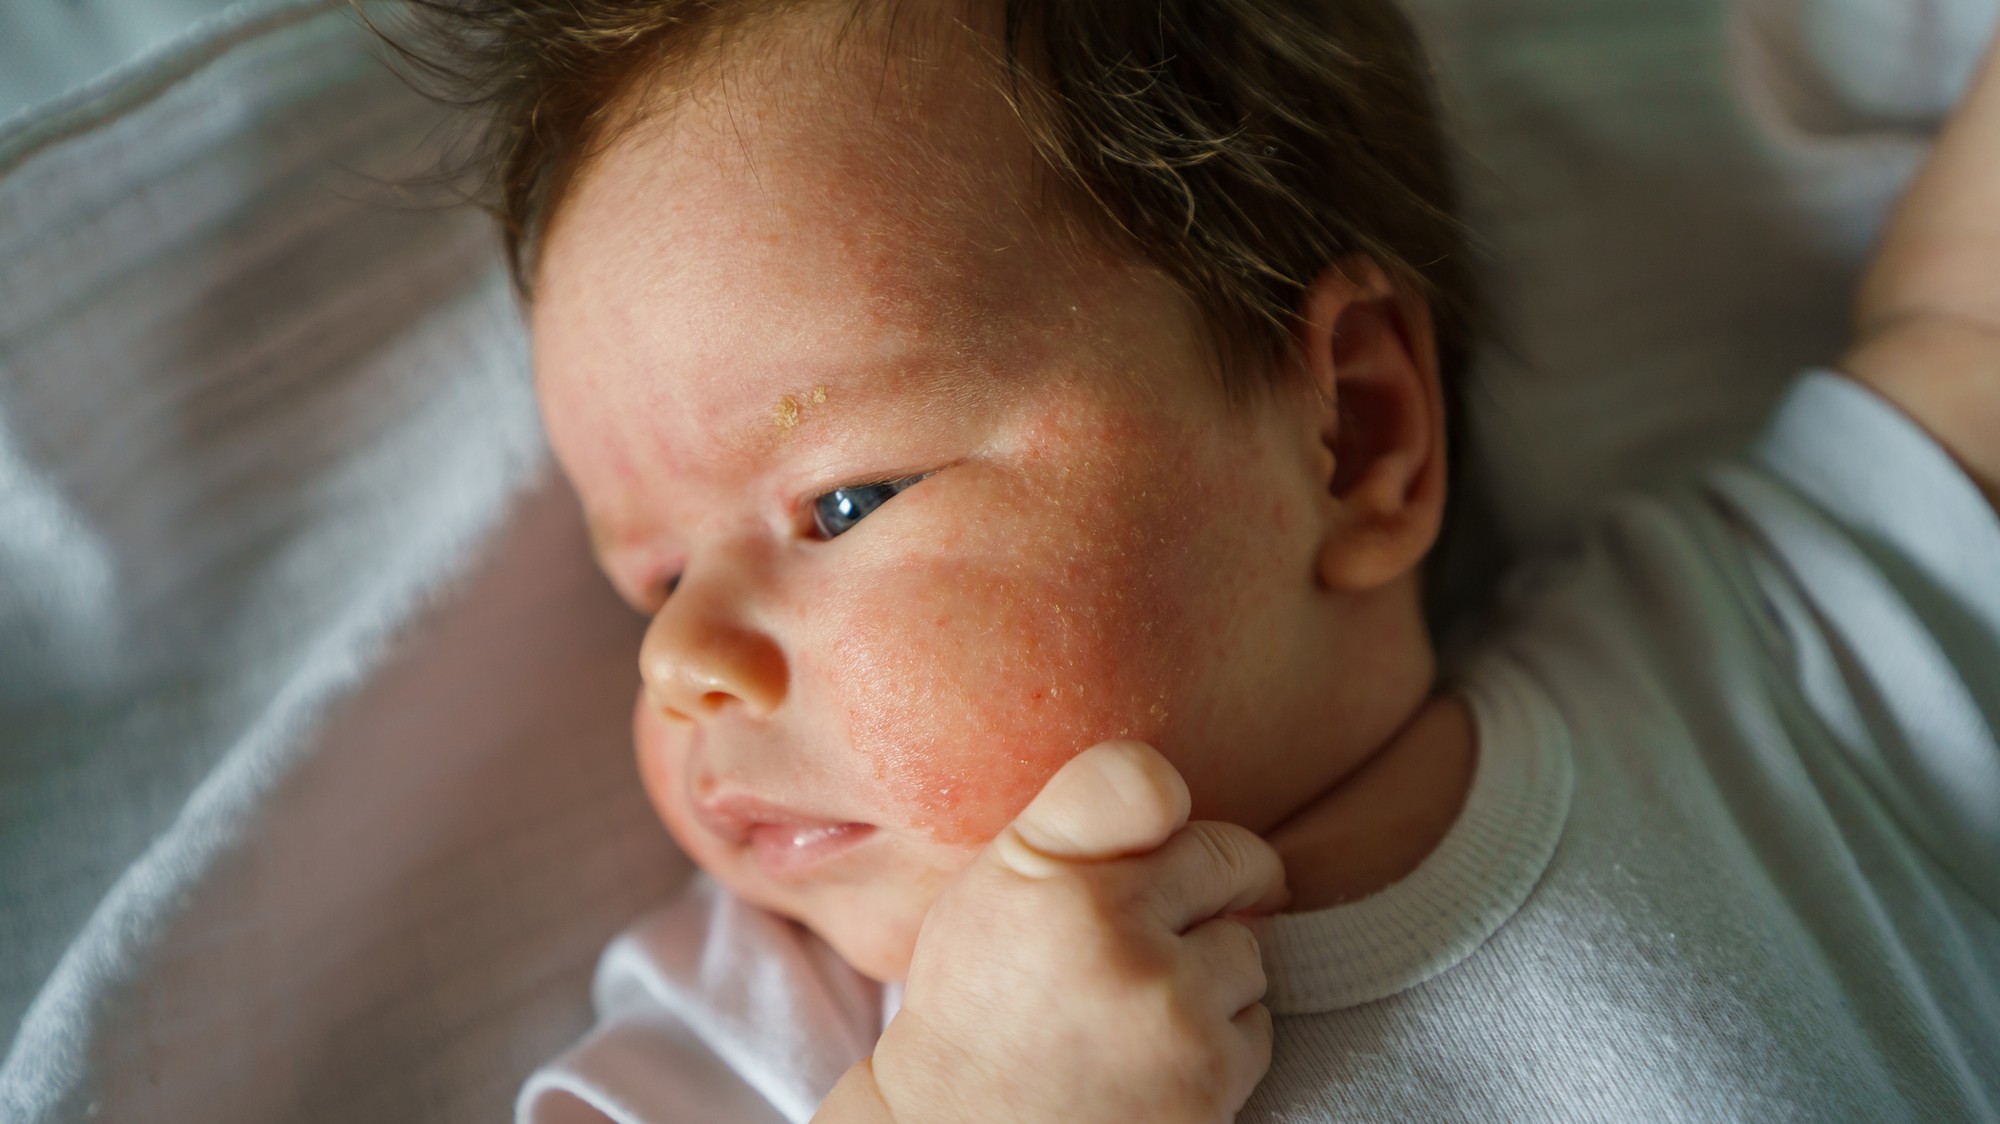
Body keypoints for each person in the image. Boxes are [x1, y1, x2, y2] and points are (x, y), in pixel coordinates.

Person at [396, 0, 2000, 1118]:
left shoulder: (1739, 683)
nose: (679, 666)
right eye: (655, 582)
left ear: (1353, 434)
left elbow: (1968, 330)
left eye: (839, 502)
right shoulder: (774, 1039)